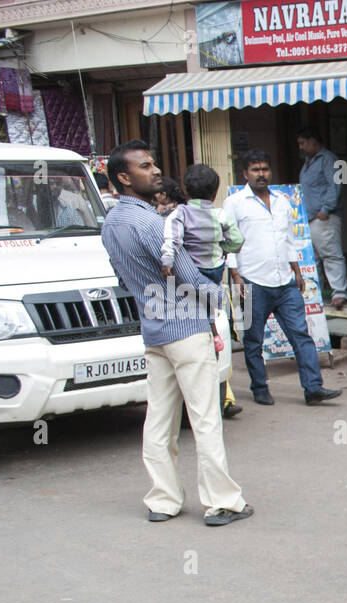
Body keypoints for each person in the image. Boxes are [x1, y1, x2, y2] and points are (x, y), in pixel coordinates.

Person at [99, 140, 252, 527]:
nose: (154, 171)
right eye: (145, 166)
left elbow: (123, 278)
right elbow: (187, 276)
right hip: (185, 329)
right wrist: (223, 296)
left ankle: (163, 500)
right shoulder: (152, 223)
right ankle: (222, 502)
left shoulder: (111, 224)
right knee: (205, 418)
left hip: (153, 330)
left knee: (159, 419)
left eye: (152, 164)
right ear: (124, 177)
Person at [221, 149, 341, 406]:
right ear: (245, 174)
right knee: (253, 339)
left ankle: (313, 388)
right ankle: (259, 387)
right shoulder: (235, 203)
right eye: (255, 170)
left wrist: (297, 271)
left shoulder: (282, 201)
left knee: (300, 334)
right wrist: (235, 275)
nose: (261, 174)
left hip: (285, 281)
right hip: (252, 282)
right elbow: (228, 241)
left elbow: (289, 239)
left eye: (265, 169)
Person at [160, 163, 246, 419]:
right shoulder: (220, 215)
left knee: (194, 306)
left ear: (186, 189)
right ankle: (213, 334)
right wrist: (224, 247)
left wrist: (167, 262)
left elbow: (172, 241)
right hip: (214, 268)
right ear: (214, 191)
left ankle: (209, 333)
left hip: (191, 271)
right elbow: (237, 241)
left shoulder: (179, 214)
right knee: (212, 305)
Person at [296, 126, 347, 309]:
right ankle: (316, 293)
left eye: (303, 143)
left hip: (324, 217)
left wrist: (326, 209)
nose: (301, 147)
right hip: (310, 217)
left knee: (331, 255)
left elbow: (336, 186)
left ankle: (339, 293)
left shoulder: (330, 159)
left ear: (313, 141)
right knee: (315, 258)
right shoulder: (308, 162)